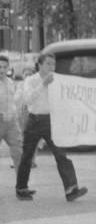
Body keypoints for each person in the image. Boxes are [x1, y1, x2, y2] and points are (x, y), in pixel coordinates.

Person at [14, 53, 88, 202]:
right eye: (48, 64)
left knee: (61, 154)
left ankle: (71, 189)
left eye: (53, 64)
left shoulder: (58, 80)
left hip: (52, 121)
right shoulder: (31, 80)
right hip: (34, 120)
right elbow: (27, 100)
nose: (51, 67)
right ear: (39, 65)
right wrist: (43, 84)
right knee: (27, 156)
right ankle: (21, 188)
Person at [0, 55, 23, 171]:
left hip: (12, 123)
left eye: (4, 67)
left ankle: (21, 186)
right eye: (0, 67)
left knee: (19, 152)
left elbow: (14, 101)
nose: (2, 70)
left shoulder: (10, 82)